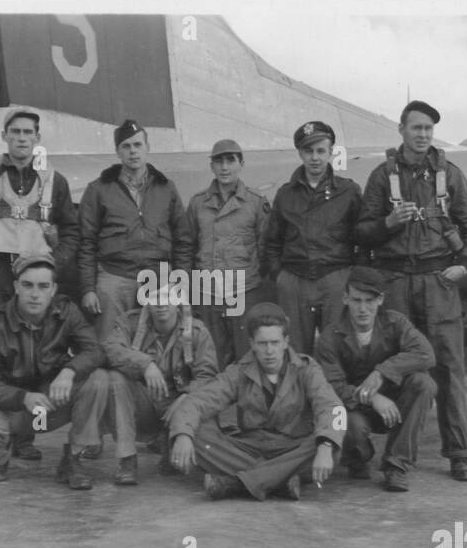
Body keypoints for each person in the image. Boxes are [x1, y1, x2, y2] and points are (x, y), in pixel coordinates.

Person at [355, 100, 467, 482]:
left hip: (438, 283)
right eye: (416, 128)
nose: (423, 135)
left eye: (428, 128)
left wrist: (465, 264)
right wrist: (389, 223)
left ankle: (459, 454)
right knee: (401, 372)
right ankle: (397, 461)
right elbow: (362, 232)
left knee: (448, 371)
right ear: (401, 130)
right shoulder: (381, 177)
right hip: (395, 284)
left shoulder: (451, 176)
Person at [0, 109, 79, 469]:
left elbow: (71, 230)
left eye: (29, 133)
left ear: (38, 139)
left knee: (32, 352)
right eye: (15, 132)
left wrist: (57, 263)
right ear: (4, 136)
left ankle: (23, 438)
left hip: (35, 274)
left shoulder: (56, 181)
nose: (22, 138)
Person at [77, 118, 193, 456]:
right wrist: (87, 287)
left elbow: (183, 240)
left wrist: (181, 282)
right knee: (107, 353)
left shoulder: (165, 187)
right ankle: (93, 435)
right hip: (114, 278)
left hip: (157, 281)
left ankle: (156, 428)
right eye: (126, 146)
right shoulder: (99, 189)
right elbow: (86, 243)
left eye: (138, 145)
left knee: (158, 353)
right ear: (117, 151)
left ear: (147, 147)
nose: (132, 152)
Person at [167, 303, 344, 501]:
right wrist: (183, 434)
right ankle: (279, 481)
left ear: (286, 342)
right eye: (262, 343)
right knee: (197, 434)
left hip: (292, 447)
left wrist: (326, 446)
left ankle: (236, 484)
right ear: (252, 343)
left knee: (331, 446)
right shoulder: (239, 371)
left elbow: (332, 407)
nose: (269, 351)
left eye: (275, 343)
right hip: (249, 448)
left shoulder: (306, 370)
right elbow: (198, 401)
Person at [0, 253, 107, 490]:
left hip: (52, 401)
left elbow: (94, 351)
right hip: (14, 408)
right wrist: (23, 397)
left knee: (99, 380)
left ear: (53, 289)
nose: (35, 293)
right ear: (16, 286)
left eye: (43, 286)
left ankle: (73, 459)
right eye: (27, 285)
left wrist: (69, 371)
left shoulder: (67, 311)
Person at [314, 267, 437, 492]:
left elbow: (426, 354)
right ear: (345, 298)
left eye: (369, 301)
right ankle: (357, 457)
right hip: (355, 409)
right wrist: (372, 398)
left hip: (394, 406)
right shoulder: (329, 337)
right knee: (348, 423)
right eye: (356, 300)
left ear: (381, 299)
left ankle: (397, 465)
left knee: (423, 383)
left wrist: (381, 372)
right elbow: (332, 387)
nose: (363, 309)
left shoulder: (396, 323)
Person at [94, 285, 218, 484]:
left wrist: (186, 397)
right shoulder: (130, 323)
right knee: (115, 379)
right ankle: (127, 458)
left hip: (179, 408)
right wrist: (145, 364)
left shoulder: (196, 331)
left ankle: (168, 443)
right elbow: (110, 348)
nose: (160, 304)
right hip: (145, 405)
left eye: (167, 297)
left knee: (178, 468)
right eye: (154, 297)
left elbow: (209, 377)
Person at [263, 120, 364, 357]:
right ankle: (298, 394)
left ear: (331, 152)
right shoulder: (286, 194)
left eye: (321, 151)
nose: (315, 158)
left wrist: (352, 276)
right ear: (300, 153)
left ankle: (335, 394)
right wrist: (280, 277)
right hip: (294, 281)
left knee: (337, 348)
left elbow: (362, 236)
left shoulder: (348, 191)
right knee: (295, 352)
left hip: (334, 279)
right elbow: (272, 241)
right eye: (308, 151)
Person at [185, 138, 273, 366]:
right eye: (219, 161)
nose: (224, 167)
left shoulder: (255, 203)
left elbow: (265, 248)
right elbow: (189, 247)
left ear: (241, 163)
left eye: (230, 160)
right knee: (212, 358)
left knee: (248, 356)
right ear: (211, 166)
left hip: (244, 292)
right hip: (208, 292)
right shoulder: (197, 204)